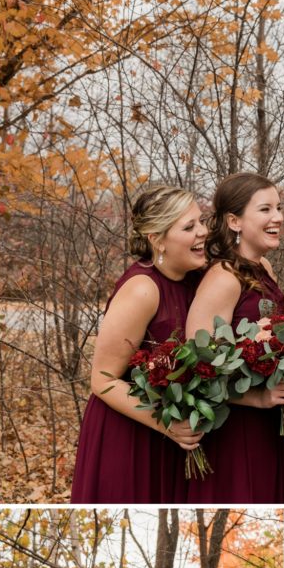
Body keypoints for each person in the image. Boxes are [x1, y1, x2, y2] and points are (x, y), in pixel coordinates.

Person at [69, 185, 206, 504]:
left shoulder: (195, 281)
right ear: (157, 239)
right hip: (131, 436)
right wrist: (168, 423)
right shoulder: (143, 289)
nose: (202, 232)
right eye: (189, 227)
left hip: (175, 436)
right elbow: (101, 380)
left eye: (201, 221)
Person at [182, 172, 284, 504]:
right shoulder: (224, 276)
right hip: (235, 429)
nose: (277, 217)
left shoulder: (265, 268)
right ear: (234, 220)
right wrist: (257, 398)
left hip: (268, 425)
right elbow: (198, 364)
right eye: (265, 209)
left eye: (278, 208)